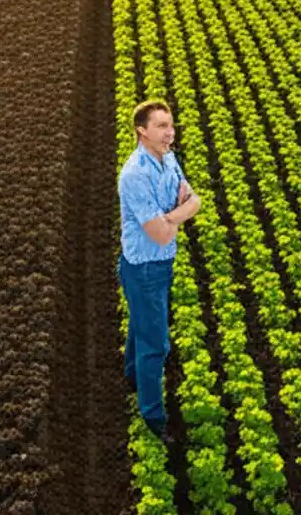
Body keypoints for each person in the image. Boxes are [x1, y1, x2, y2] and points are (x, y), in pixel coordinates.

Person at [117, 99, 201, 442]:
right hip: (145, 267)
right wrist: (179, 213)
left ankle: (133, 376)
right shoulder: (134, 175)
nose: (170, 133)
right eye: (162, 127)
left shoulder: (168, 159)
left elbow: (195, 199)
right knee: (157, 345)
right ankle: (153, 417)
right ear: (142, 131)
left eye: (171, 125)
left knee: (142, 324)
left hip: (161, 261)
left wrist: (173, 214)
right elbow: (161, 231)